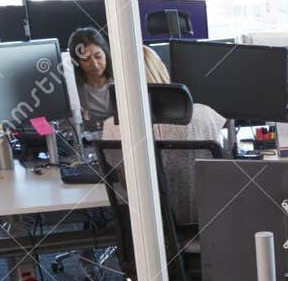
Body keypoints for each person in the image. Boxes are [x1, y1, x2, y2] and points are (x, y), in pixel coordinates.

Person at [99, 48, 227, 227]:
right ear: (161, 69)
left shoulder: (114, 126)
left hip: (148, 235)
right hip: (208, 228)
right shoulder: (206, 115)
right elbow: (222, 167)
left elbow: (126, 184)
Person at [67, 27, 114, 129]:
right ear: (77, 62)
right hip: (91, 141)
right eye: (86, 59)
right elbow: (65, 127)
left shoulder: (122, 80)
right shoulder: (73, 89)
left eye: (98, 56)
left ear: (105, 54)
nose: (95, 64)